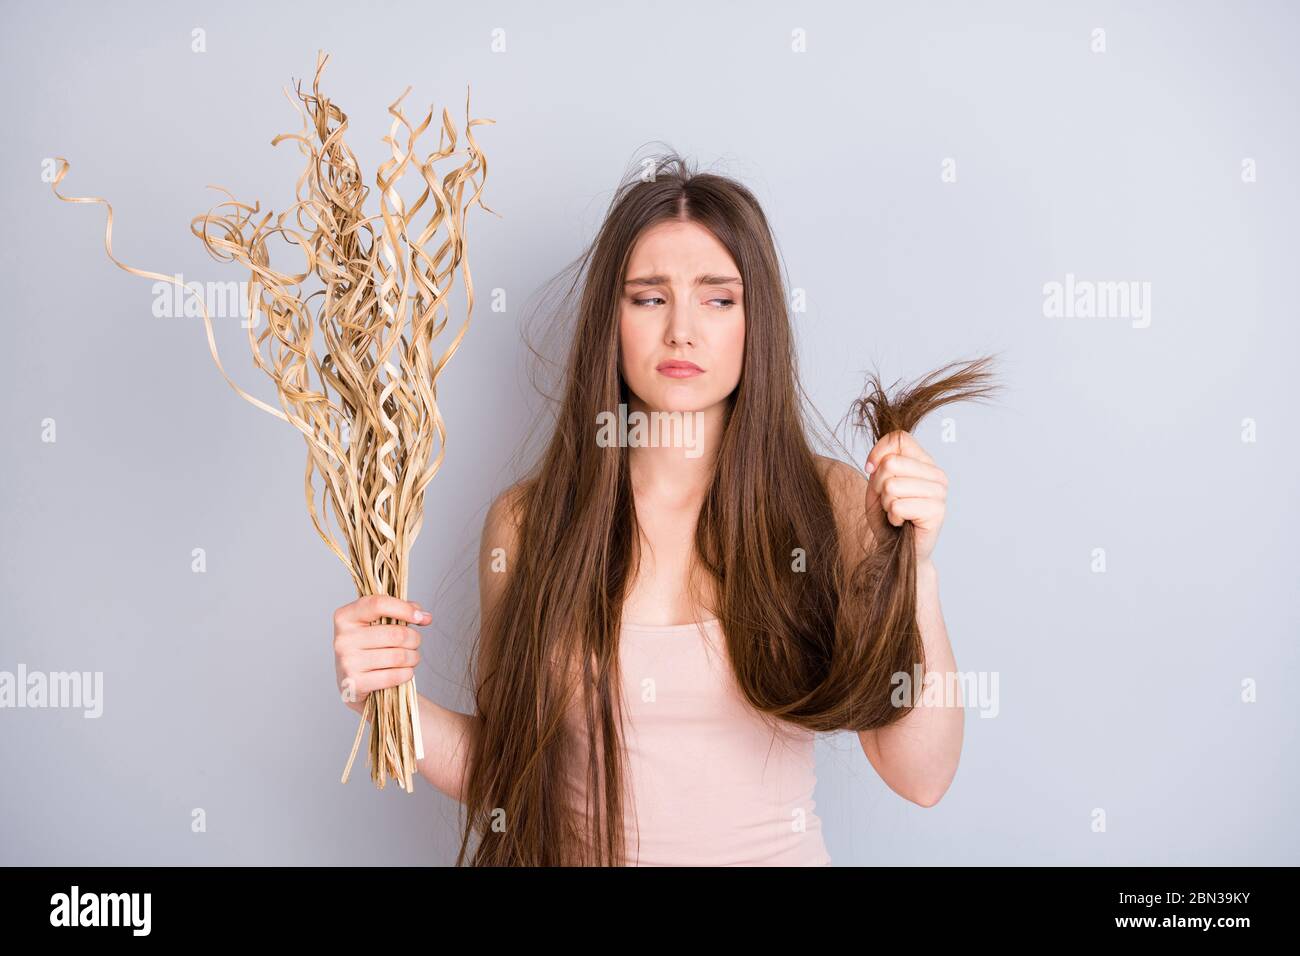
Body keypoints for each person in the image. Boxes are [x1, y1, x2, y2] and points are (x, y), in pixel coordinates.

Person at [333, 153, 990, 866]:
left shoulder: (833, 506)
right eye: (649, 297)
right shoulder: (527, 524)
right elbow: (508, 770)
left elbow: (921, 775)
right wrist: (386, 699)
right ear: (609, 321)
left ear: (756, 321)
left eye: (718, 299)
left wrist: (916, 568)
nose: (682, 330)